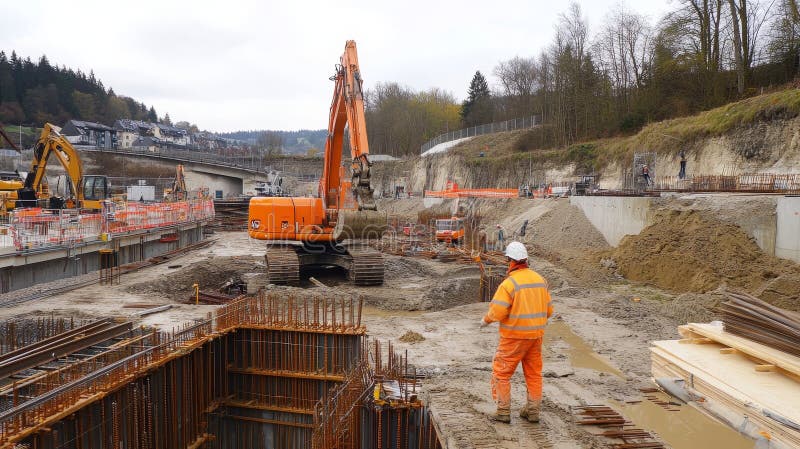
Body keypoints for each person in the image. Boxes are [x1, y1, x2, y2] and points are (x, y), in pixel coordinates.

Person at [480, 241, 553, 423]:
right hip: (535, 337)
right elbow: (549, 311)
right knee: (534, 374)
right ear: (526, 259)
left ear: (510, 261)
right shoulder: (540, 280)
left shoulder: (510, 284)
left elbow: (497, 312)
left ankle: (503, 411)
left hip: (513, 337)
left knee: (501, 373)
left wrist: (486, 320)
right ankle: (533, 411)